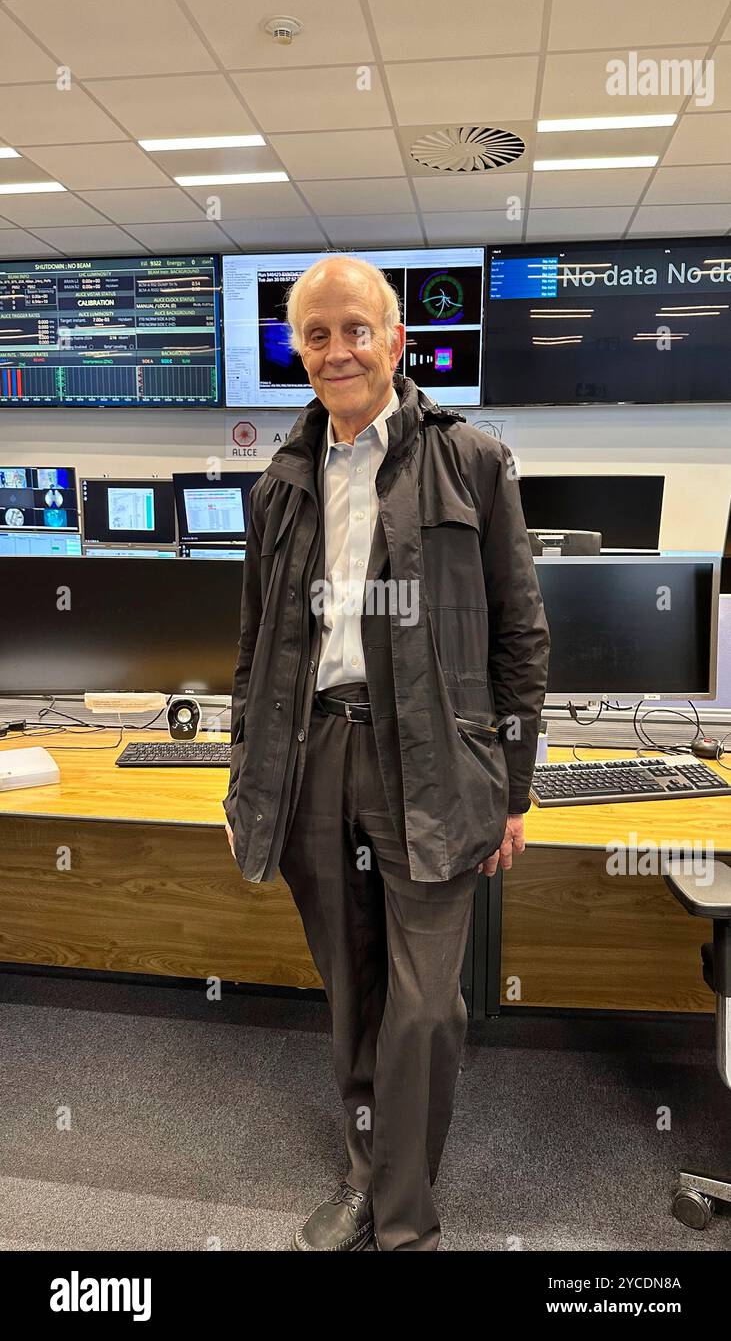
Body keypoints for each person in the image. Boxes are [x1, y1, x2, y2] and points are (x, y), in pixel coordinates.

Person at [223, 254, 550, 1251]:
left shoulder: (472, 461)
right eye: (314, 334)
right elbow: (253, 646)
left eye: (354, 329)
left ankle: (403, 1218)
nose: (335, 350)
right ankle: (365, 1174)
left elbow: (519, 635)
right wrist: (248, 773)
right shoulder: (280, 481)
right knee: (354, 991)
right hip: (316, 757)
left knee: (422, 1009)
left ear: (395, 338)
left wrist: (514, 786)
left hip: (435, 769)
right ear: (297, 349)